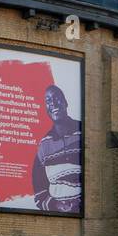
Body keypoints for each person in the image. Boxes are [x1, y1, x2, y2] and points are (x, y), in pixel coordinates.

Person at [30, 84, 83, 213]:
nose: (52, 103)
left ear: (65, 102)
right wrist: (56, 207)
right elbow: (39, 191)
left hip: (84, 216)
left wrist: (80, 205)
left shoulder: (83, 133)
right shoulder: (44, 145)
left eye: (56, 98)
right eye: (48, 101)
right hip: (56, 217)